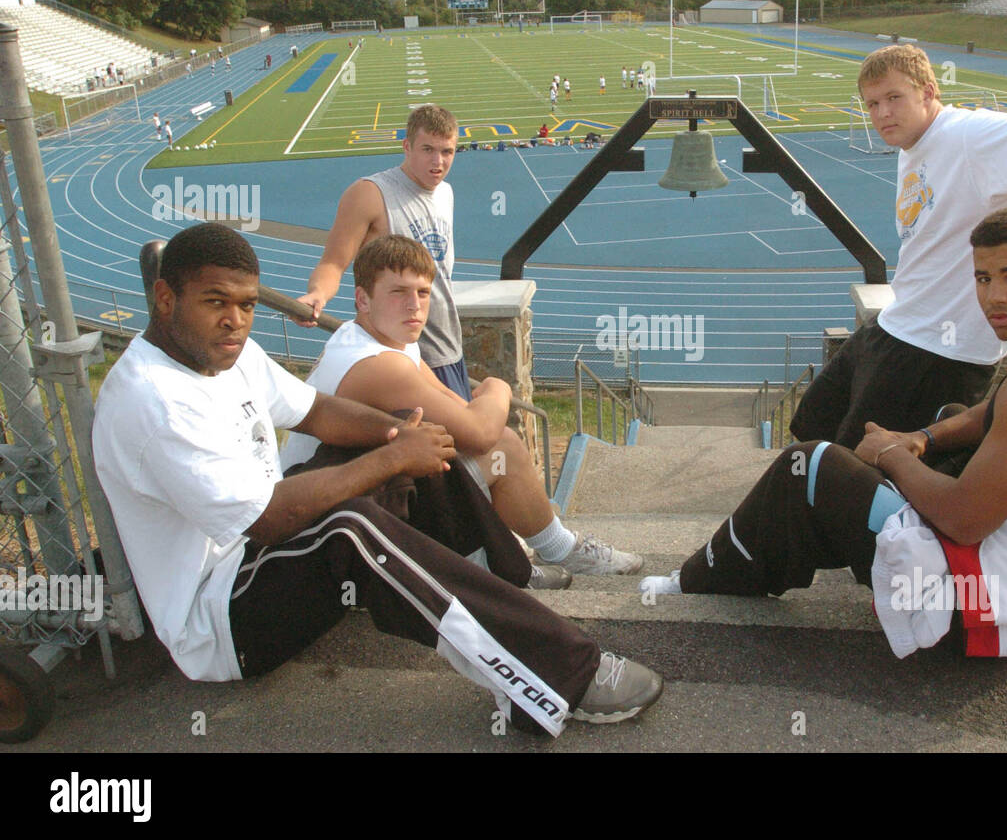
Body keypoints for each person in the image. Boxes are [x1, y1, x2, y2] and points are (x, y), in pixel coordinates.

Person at [93, 223, 663, 735]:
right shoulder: (154, 404)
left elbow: (315, 409)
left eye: (245, 305)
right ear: (165, 298)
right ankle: (559, 674)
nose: (235, 321)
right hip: (223, 618)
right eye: (215, 302)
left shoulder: (226, 354)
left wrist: (400, 439)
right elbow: (267, 519)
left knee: (407, 438)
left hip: (265, 551)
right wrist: (391, 459)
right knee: (353, 526)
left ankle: (502, 587)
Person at [642, 206, 1007, 639]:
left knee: (810, 465)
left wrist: (893, 455)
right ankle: (798, 545)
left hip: (990, 604)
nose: (995, 296)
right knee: (949, 416)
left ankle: (698, 581)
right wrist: (921, 436)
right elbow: (992, 414)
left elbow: (964, 520)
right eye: (983, 278)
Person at [282, 236, 643, 576]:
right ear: (363, 299)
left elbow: (454, 404)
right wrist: (498, 387)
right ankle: (554, 549)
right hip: (322, 518)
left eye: (423, 293)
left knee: (485, 445)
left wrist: (482, 405)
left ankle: (519, 553)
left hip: (362, 488)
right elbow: (480, 433)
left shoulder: (388, 337)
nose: (415, 306)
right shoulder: (377, 364)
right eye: (398, 293)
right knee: (500, 444)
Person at [790, 44, 1007, 448]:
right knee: (811, 426)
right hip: (896, 326)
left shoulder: (964, 133)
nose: (882, 114)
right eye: (873, 104)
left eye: (894, 98)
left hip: (938, 355)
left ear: (929, 92)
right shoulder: (915, 145)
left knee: (858, 469)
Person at [298, 105, 473, 399]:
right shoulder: (370, 194)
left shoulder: (445, 193)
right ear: (406, 146)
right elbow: (333, 262)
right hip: (398, 355)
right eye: (427, 149)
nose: (438, 162)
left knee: (460, 438)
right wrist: (318, 294)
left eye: (447, 152)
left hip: (447, 349)